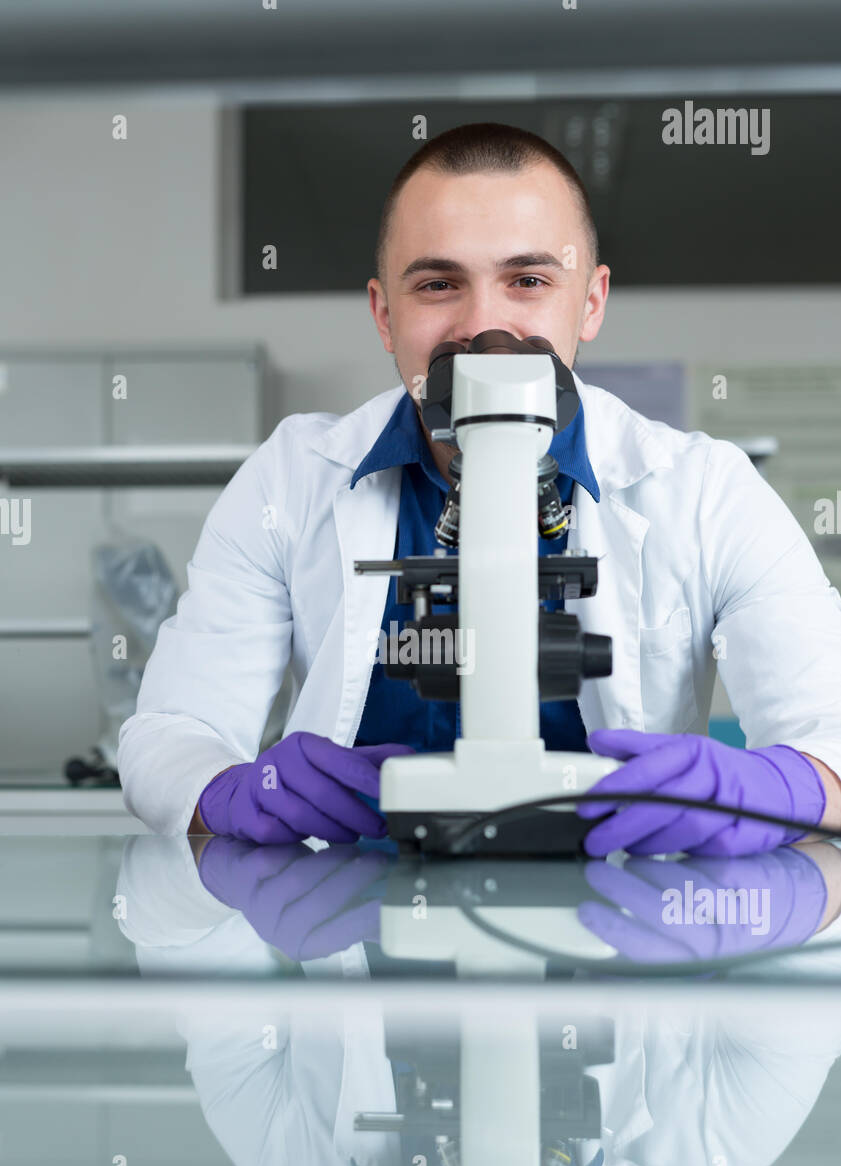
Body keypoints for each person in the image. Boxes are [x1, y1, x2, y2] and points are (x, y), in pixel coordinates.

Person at [117, 122, 841, 857]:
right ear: (383, 313)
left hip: (619, 928)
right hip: (355, 916)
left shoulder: (704, 490)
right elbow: (170, 737)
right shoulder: (293, 479)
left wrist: (777, 790)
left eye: (527, 281)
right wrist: (224, 791)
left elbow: (832, 737)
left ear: (589, 302)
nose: (484, 328)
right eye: (437, 284)